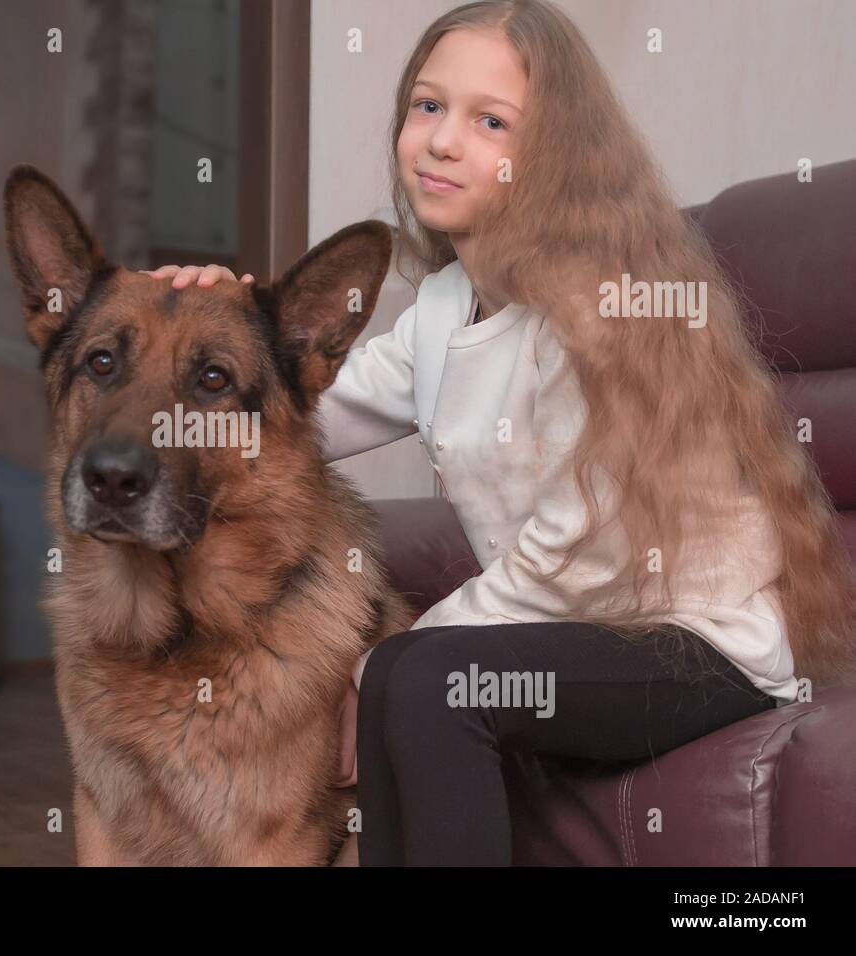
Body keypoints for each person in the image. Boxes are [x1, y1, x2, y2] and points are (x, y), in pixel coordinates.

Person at [141, 0, 856, 865]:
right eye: (428, 106)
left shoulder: (595, 309)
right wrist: (217, 336)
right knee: (411, 671)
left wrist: (405, 647)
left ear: (551, 155)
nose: (442, 141)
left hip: (697, 649)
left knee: (430, 677)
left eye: (490, 121)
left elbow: (576, 547)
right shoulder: (440, 311)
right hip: (588, 630)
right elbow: (290, 428)